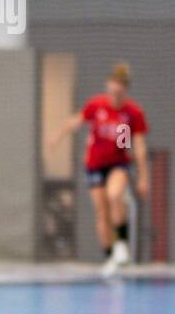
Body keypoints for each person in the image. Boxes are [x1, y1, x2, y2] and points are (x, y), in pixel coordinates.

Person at [48, 63, 149, 275]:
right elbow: (74, 121)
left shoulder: (132, 113)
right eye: (112, 89)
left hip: (119, 163)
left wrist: (143, 177)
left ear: (125, 90)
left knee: (115, 195)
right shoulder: (96, 106)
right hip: (94, 165)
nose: (115, 94)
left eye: (120, 91)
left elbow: (138, 146)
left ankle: (121, 243)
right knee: (101, 211)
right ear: (108, 86)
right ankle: (110, 255)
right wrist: (56, 139)